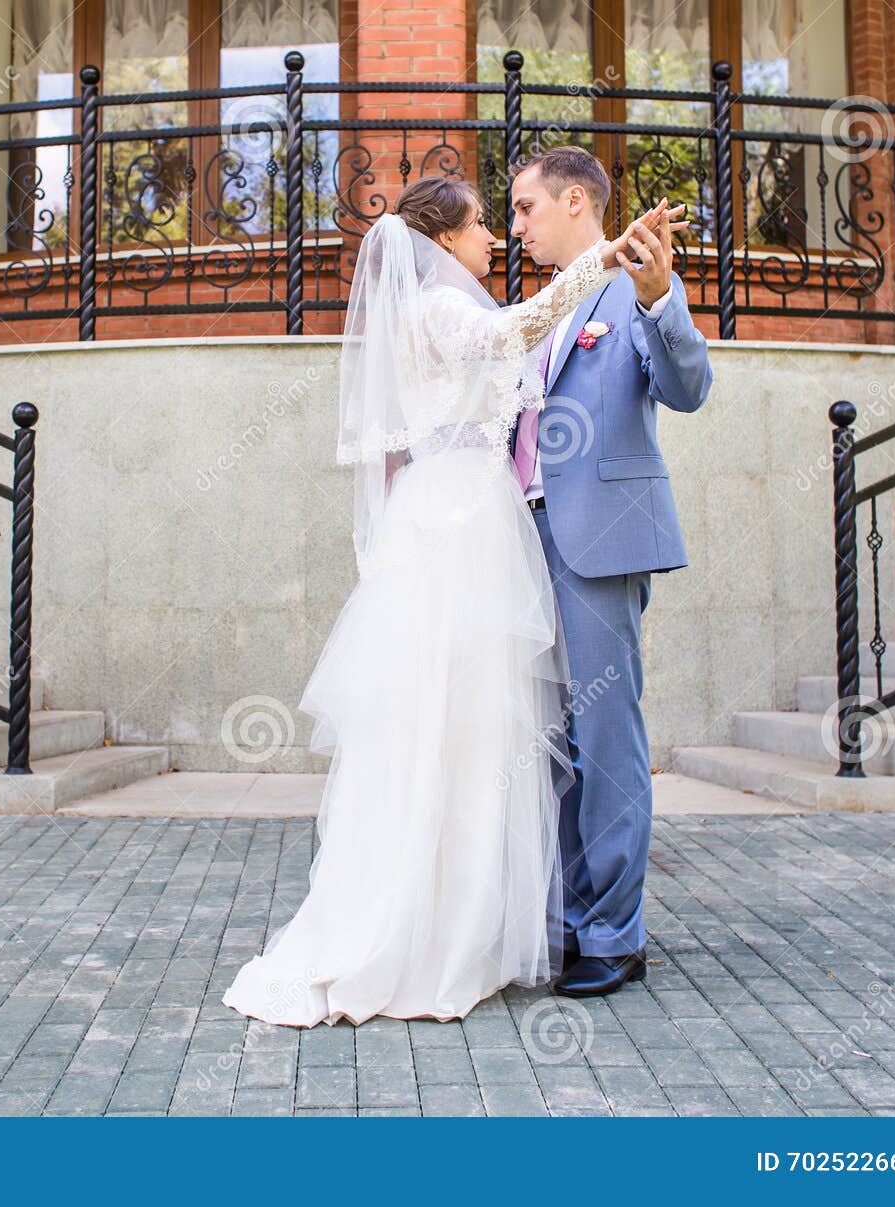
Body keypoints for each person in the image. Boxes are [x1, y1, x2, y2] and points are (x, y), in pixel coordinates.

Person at [221, 175, 675, 1026]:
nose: (495, 237)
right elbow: (515, 329)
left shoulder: (437, 315)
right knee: (452, 725)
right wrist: (601, 261)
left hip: (472, 521)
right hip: (463, 525)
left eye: (510, 217)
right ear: (439, 241)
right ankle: (435, 930)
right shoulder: (438, 311)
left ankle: (496, 921)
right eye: (480, 225)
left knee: (482, 728)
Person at [507, 145, 713, 997]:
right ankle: (565, 916)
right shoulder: (534, 309)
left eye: (525, 207)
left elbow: (690, 386)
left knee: (606, 736)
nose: (516, 224)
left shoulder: (636, 290)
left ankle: (615, 933)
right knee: (553, 741)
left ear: (576, 203)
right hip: (524, 541)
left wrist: (663, 298)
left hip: (601, 540)